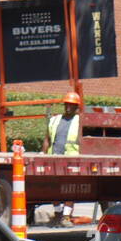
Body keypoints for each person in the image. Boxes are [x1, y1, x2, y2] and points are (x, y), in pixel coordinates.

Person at [47, 91, 82, 225]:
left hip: (72, 159)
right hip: (54, 157)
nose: (68, 107)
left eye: (71, 105)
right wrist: (42, 154)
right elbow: (47, 139)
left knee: (70, 188)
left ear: (76, 107)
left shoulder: (80, 121)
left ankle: (66, 216)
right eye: (67, 104)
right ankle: (57, 213)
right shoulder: (54, 119)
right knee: (53, 188)